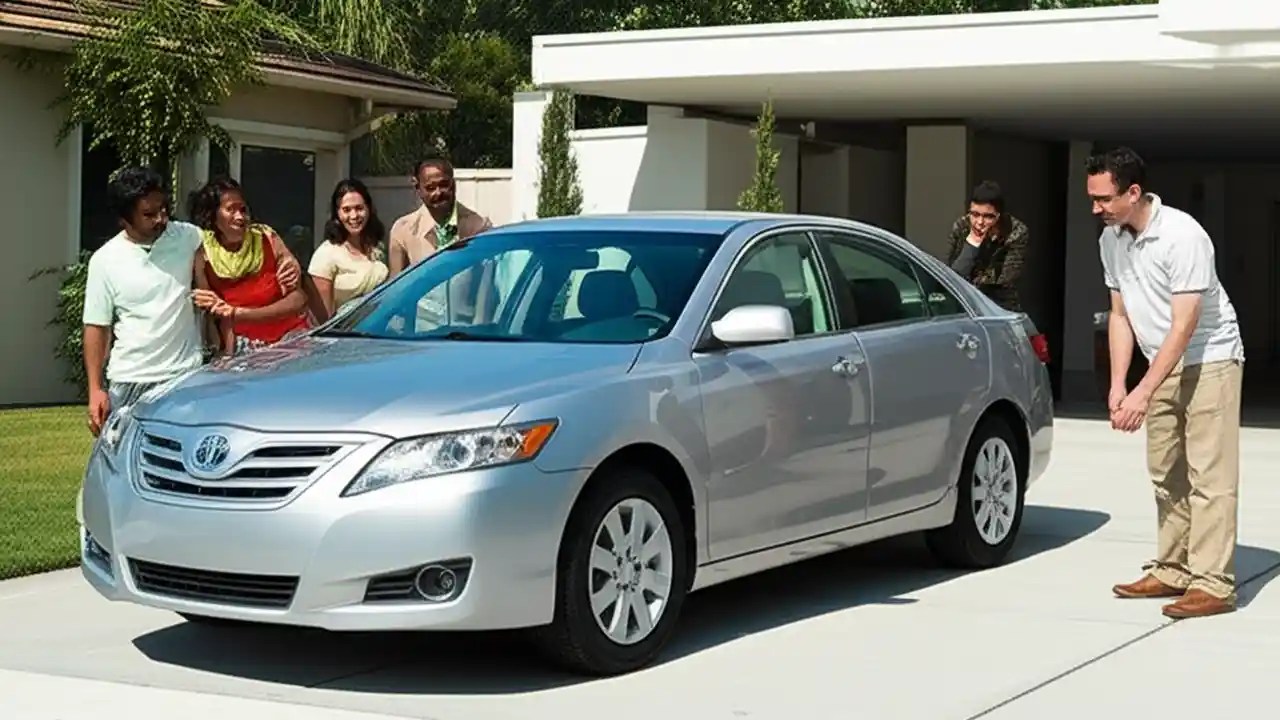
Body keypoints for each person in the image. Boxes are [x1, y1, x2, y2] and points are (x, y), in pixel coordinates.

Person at [1089, 146, 1245, 619]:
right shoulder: (1110, 239)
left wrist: (1142, 390)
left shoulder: (1183, 235)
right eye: (1092, 198)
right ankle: (1174, 568)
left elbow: (1184, 326)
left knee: (1208, 475)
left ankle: (1213, 583)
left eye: (1104, 199)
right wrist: (1120, 383)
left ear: (1133, 192)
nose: (1096, 208)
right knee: (1165, 470)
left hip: (1209, 358)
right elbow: (1120, 315)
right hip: (1160, 360)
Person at [82, 167, 301, 435]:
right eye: (149, 215)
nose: (161, 219)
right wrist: (95, 390)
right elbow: (96, 326)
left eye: (164, 209)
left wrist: (288, 259)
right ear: (124, 219)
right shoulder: (105, 261)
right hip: (129, 380)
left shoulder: (188, 236)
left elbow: (234, 235)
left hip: (183, 376)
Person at [188, 176, 310, 357]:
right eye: (230, 210)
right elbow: (213, 316)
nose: (240, 217)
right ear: (213, 215)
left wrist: (239, 314)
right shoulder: (203, 252)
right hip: (242, 351)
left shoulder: (267, 238)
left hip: (290, 341)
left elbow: (298, 299)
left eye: (242, 209)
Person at [387, 156, 493, 276]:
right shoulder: (403, 231)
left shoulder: (478, 227)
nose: (438, 192)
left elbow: (487, 278)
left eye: (444, 185)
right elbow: (396, 286)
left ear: (453, 184)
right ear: (418, 188)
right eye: (430, 188)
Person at [308, 178, 389, 321]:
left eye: (359, 208)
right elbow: (323, 319)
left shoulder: (377, 248)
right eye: (346, 210)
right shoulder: (326, 255)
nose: (354, 216)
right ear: (337, 214)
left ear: (369, 209)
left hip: (378, 331)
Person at [944, 180, 1029, 312]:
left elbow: (1006, 276)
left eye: (988, 216)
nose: (980, 222)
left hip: (1000, 305)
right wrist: (972, 244)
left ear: (999, 216)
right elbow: (952, 276)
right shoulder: (961, 227)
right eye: (975, 214)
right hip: (964, 302)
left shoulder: (1016, 232)